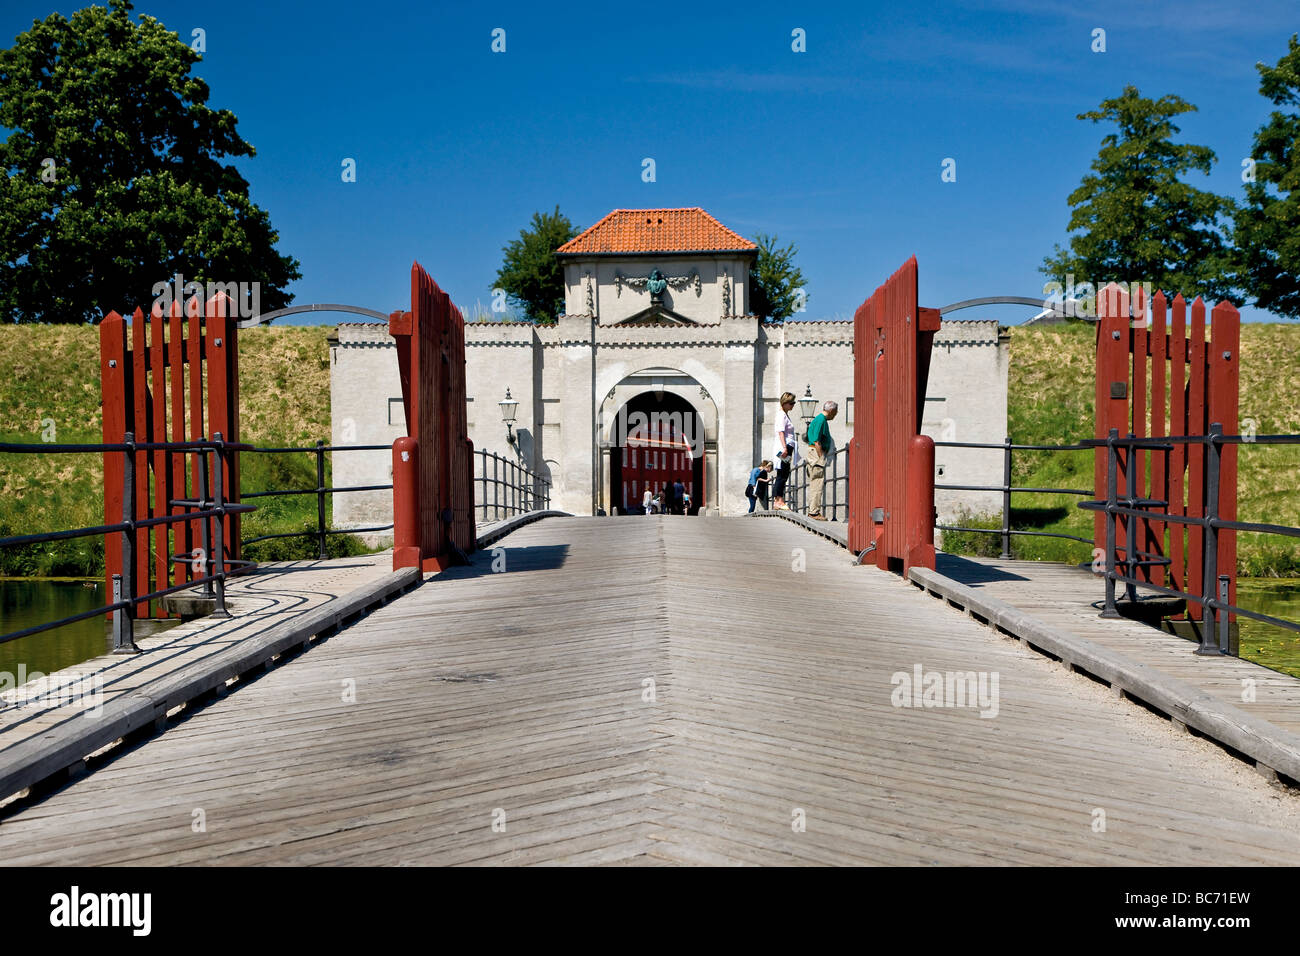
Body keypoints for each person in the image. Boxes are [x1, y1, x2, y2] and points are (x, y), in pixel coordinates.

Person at [805, 400, 838, 521]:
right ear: (831, 411)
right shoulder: (821, 420)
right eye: (835, 412)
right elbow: (816, 441)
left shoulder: (819, 419)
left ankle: (813, 511)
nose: (835, 414)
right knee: (817, 483)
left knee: (815, 483)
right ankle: (814, 513)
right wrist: (821, 457)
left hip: (813, 453)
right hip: (816, 454)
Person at [771, 392, 798, 510]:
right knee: (782, 473)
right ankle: (779, 500)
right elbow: (781, 432)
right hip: (785, 447)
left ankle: (778, 500)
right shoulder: (781, 415)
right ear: (785, 403)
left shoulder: (785, 414)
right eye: (791, 403)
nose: (793, 405)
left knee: (783, 473)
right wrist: (785, 448)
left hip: (787, 446)